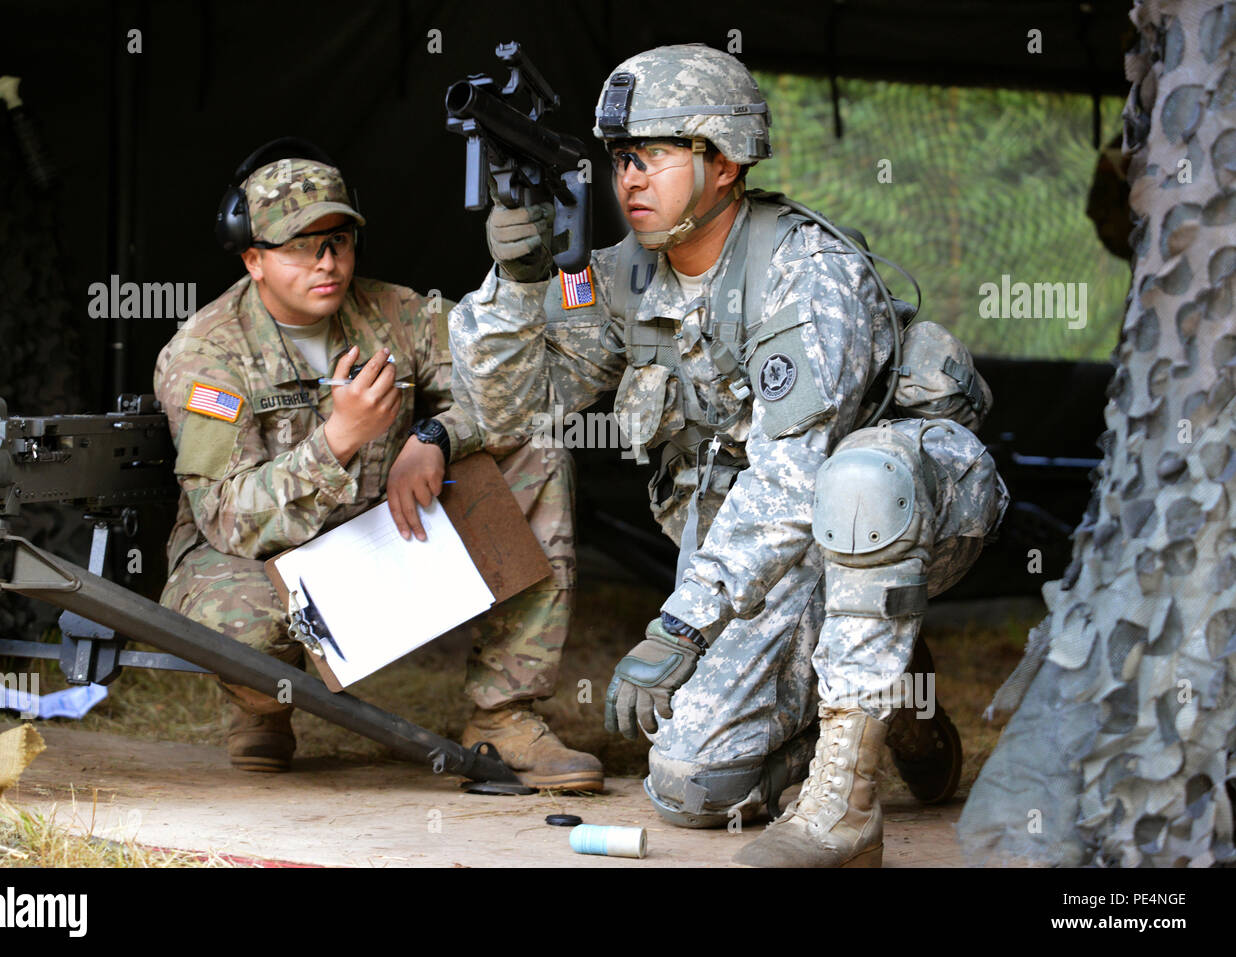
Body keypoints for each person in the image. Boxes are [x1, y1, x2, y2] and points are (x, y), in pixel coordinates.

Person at [448, 46, 1008, 865]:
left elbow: (792, 477)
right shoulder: (625, 280)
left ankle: (844, 796)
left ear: (727, 160)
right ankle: (887, 677)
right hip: (757, 562)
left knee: (856, 485)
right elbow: (510, 410)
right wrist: (515, 281)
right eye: (619, 159)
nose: (629, 179)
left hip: (900, 518)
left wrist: (682, 624)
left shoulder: (806, 273)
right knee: (688, 786)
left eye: (655, 153)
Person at [154, 138, 601, 791]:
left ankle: (501, 713)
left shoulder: (399, 313)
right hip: (255, 558)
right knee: (237, 621)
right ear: (253, 259)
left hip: (381, 531)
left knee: (537, 448)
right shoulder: (205, 355)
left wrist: (435, 434)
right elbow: (229, 520)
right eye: (301, 245)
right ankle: (260, 705)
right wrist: (338, 439)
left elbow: (512, 387)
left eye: (339, 239)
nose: (327, 260)